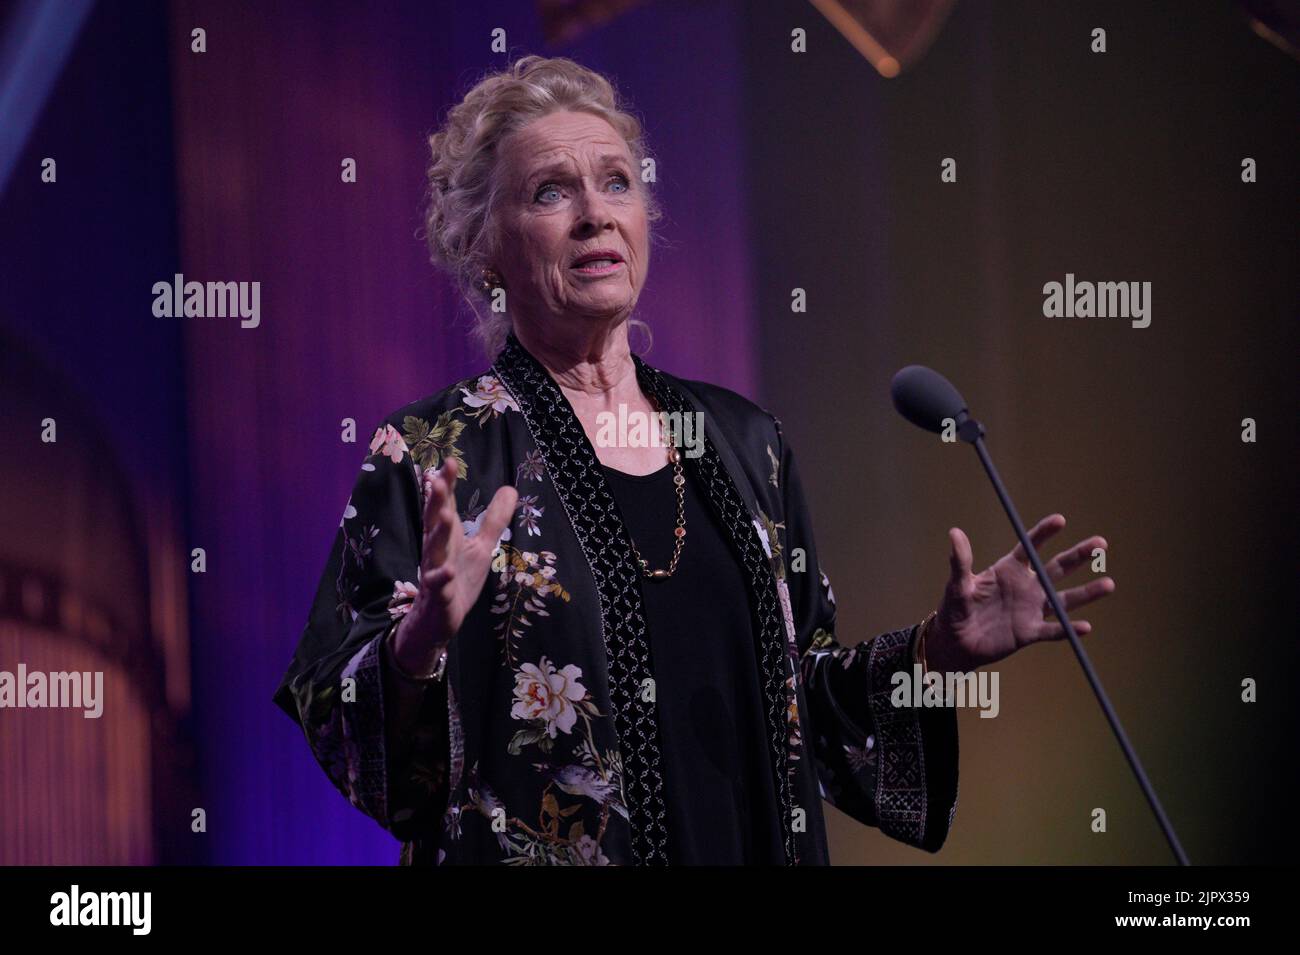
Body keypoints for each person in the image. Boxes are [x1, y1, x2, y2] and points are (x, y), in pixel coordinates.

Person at [272, 55, 1114, 866]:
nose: (595, 214)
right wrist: (417, 642)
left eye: (617, 182)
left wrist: (937, 655)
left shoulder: (746, 443)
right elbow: (342, 722)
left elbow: (805, 705)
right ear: (485, 248)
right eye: (551, 191)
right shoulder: (433, 453)